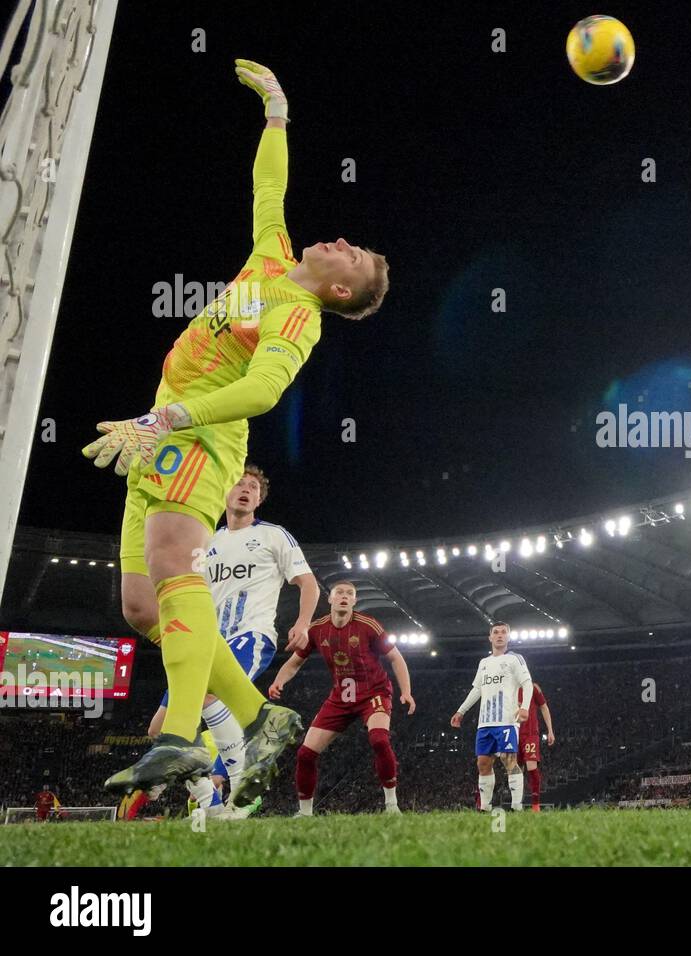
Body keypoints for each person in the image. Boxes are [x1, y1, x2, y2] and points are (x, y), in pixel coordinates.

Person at [85, 60, 389, 805]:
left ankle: (181, 737)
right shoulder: (273, 260)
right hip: (160, 431)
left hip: (196, 438)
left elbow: (260, 390)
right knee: (140, 605)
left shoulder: (301, 316)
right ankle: (258, 718)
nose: (342, 238)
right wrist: (277, 111)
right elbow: (269, 188)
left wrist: (171, 417)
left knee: (174, 570)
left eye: (352, 254)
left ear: (341, 288)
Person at [143, 465, 319, 817]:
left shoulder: (273, 536)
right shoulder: (207, 540)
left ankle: (241, 786)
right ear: (224, 492)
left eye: (253, 487)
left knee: (209, 693)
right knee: (158, 730)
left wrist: (303, 623)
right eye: (238, 484)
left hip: (249, 635)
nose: (245, 489)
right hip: (204, 640)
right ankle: (209, 800)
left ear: (258, 498)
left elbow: (308, 583)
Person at [269, 581, 414, 816]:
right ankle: (305, 813)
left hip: (374, 693)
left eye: (350, 594)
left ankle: (391, 806)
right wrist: (279, 681)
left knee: (379, 740)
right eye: (340, 593)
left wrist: (406, 691)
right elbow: (294, 662)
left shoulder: (369, 625)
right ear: (330, 599)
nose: (344, 597)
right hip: (339, 699)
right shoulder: (317, 630)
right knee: (305, 754)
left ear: (355, 601)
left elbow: (396, 658)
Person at [450, 622, 533, 811]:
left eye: (504, 632)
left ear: (508, 637)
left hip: (506, 721)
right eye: (496, 632)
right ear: (490, 637)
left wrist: (525, 708)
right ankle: (485, 808)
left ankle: (516, 807)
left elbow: (527, 683)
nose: (500, 635)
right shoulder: (484, 663)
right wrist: (461, 711)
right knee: (483, 763)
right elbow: (477, 689)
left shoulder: (515, 659)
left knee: (509, 760)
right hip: (485, 723)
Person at [516, 681, 555, 811]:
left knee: (531, 767)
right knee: (516, 771)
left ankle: (535, 805)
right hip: (514, 734)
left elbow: (544, 707)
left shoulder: (532, 687)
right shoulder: (509, 688)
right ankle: (517, 805)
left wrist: (550, 730)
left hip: (530, 734)